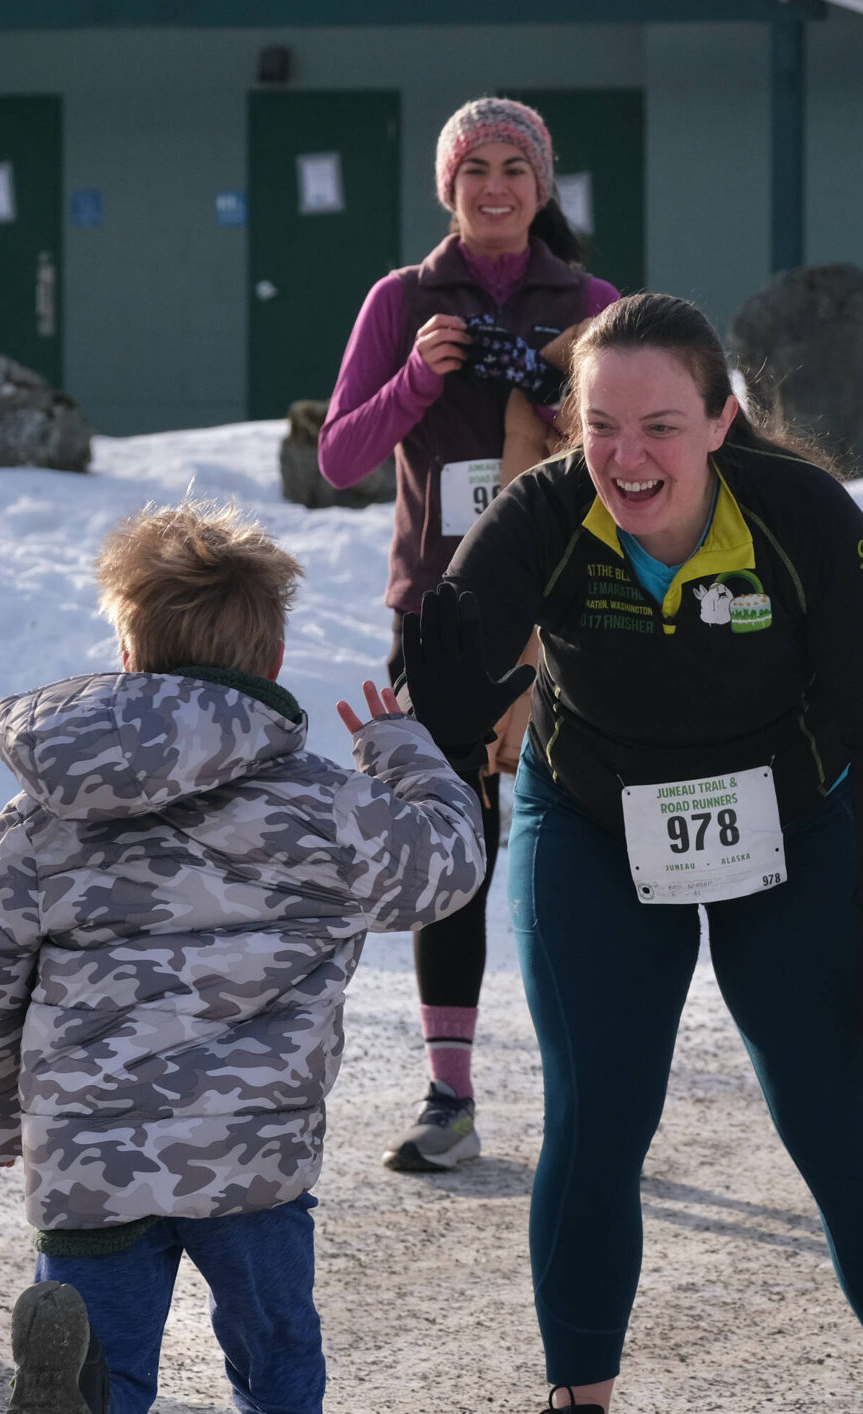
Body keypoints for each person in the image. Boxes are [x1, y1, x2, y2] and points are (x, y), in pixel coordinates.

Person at [400, 293, 863, 1414]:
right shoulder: (549, 508)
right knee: (596, 1120)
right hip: (590, 826)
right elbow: (458, 641)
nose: (628, 458)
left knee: (838, 1124)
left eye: (663, 426)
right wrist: (448, 687)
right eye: (603, 425)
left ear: (722, 420)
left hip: (793, 830)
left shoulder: (805, 522)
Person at [0, 502, 486, 1414]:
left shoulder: (42, 814)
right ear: (273, 654)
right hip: (251, 1158)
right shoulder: (324, 809)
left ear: (127, 649)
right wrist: (402, 750)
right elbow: (448, 867)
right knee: (276, 1358)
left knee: (112, 1362)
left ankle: (86, 1410)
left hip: (89, 1149)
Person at [318, 95, 619, 1173]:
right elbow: (342, 459)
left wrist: (563, 391)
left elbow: (646, 453)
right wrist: (419, 378)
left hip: (573, 616)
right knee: (455, 849)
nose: (494, 185)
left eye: (514, 167)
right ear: (445, 188)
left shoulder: (589, 302)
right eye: (473, 168)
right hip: (438, 614)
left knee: (575, 841)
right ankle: (450, 1098)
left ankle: (596, 1087)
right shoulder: (402, 300)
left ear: (542, 187)